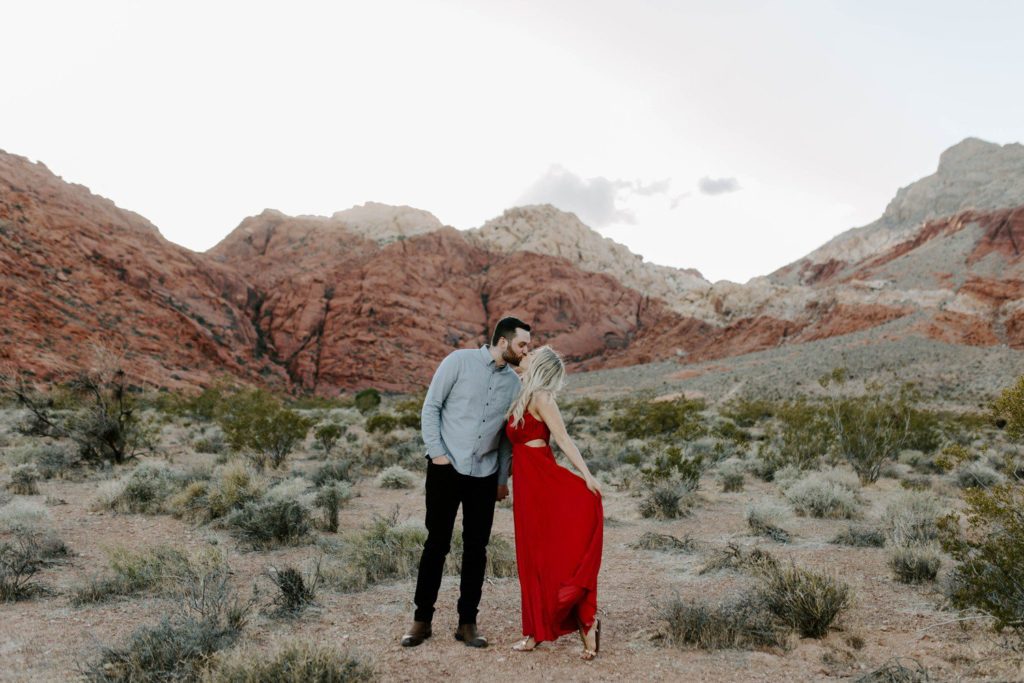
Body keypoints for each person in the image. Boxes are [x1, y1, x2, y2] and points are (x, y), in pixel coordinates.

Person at [400, 317, 532, 649]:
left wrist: (502, 478)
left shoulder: (514, 386)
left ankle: (467, 623)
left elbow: (505, 439)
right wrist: (438, 455)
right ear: (503, 342)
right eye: (523, 344)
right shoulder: (458, 362)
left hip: (484, 476)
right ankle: (422, 620)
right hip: (446, 468)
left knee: (477, 550)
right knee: (436, 545)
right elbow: (431, 408)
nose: (526, 350)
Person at [505, 345, 604, 660]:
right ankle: (534, 631)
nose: (527, 354)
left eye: (532, 353)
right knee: (530, 556)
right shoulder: (522, 394)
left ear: (540, 365)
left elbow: (563, 439)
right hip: (525, 485)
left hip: (543, 482)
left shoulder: (544, 398)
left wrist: (587, 475)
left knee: (549, 554)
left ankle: (585, 623)